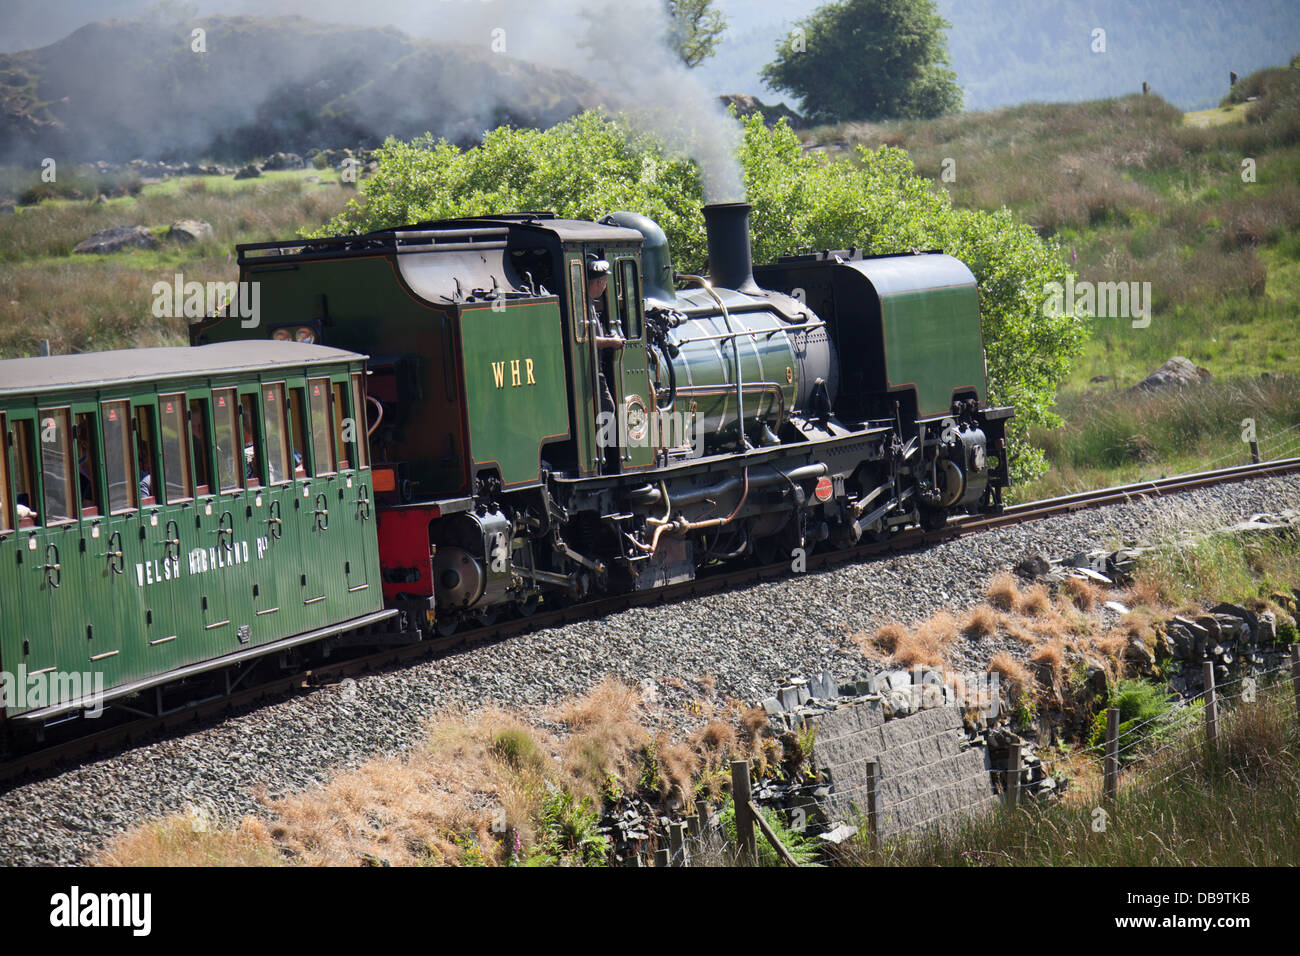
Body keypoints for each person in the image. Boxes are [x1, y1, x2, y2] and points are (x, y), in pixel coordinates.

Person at [587, 256, 623, 420]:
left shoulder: (588, 303)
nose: (605, 286)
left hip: (593, 368)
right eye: (605, 282)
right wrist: (612, 342)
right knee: (608, 409)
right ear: (599, 283)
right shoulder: (584, 305)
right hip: (591, 369)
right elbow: (586, 339)